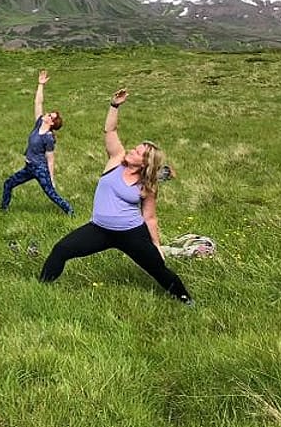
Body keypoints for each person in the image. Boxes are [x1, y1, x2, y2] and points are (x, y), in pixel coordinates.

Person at [39, 89, 193, 304]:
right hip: (99, 229)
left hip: (132, 234)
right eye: (135, 148)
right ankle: (41, 288)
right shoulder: (116, 159)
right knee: (61, 249)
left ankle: (186, 300)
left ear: (145, 163)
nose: (132, 150)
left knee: (158, 269)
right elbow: (110, 130)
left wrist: (156, 245)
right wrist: (114, 105)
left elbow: (149, 217)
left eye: (138, 152)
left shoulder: (147, 185)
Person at [0, 70, 74, 215]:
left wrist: (51, 178)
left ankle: (69, 210)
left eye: (49, 115)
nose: (46, 114)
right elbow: (38, 102)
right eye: (48, 113)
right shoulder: (39, 123)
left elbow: (50, 159)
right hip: (28, 167)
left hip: (40, 169)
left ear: (51, 123)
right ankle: (3, 209)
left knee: (52, 194)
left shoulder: (48, 137)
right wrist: (40, 85)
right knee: (8, 183)